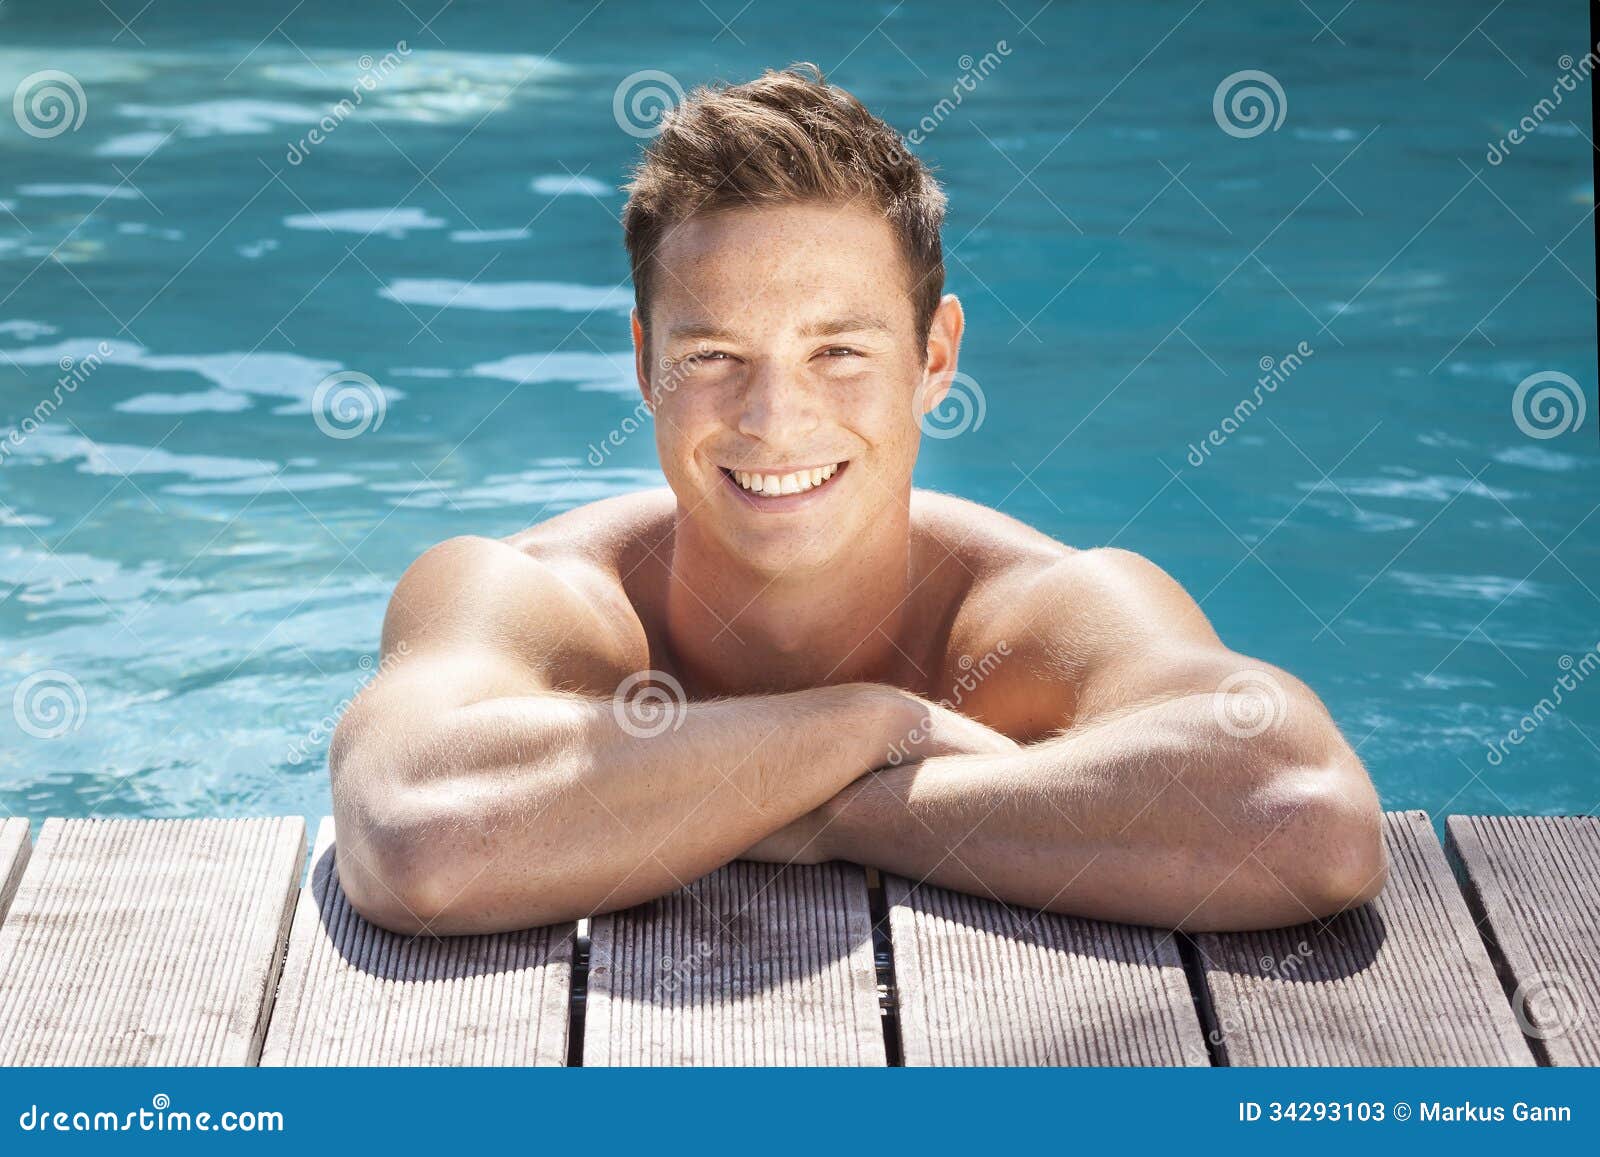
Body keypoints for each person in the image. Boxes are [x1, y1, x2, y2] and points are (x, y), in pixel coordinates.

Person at [329, 64, 1385, 937]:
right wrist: (874, 724)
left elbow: (1306, 816)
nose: (773, 418)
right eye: (713, 354)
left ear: (933, 357)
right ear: (645, 360)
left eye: (837, 350)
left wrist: (813, 810)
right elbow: (412, 838)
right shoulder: (528, 594)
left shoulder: (1045, 610)